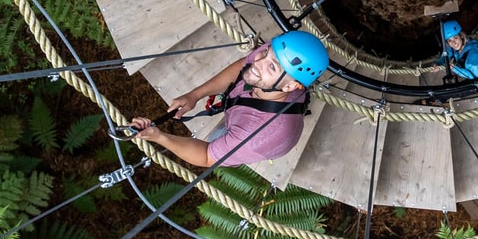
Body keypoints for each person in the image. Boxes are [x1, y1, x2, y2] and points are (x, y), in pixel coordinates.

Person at [129, 30, 329, 167]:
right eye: (265, 53)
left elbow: (207, 156)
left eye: (272, 67)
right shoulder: (277, 53)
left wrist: (159, 137)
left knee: (217, 141)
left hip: (261, 137)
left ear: (291, 86)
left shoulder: (260, 135)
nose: (258, 62)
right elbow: (244, 65)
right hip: (245, 109)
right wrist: (195, 95)